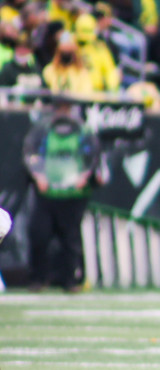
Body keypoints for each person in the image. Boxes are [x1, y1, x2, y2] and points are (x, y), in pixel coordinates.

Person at [22, 97, 109, 292]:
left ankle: (70, 280)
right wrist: (38, 176)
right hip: (47, 192)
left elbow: (92, 155)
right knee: (40, 235)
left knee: (70, 239)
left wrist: (84, 176)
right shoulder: (43, 130)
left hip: (73, 194)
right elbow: (31, 153)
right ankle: (38, 279)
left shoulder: (82, 131)